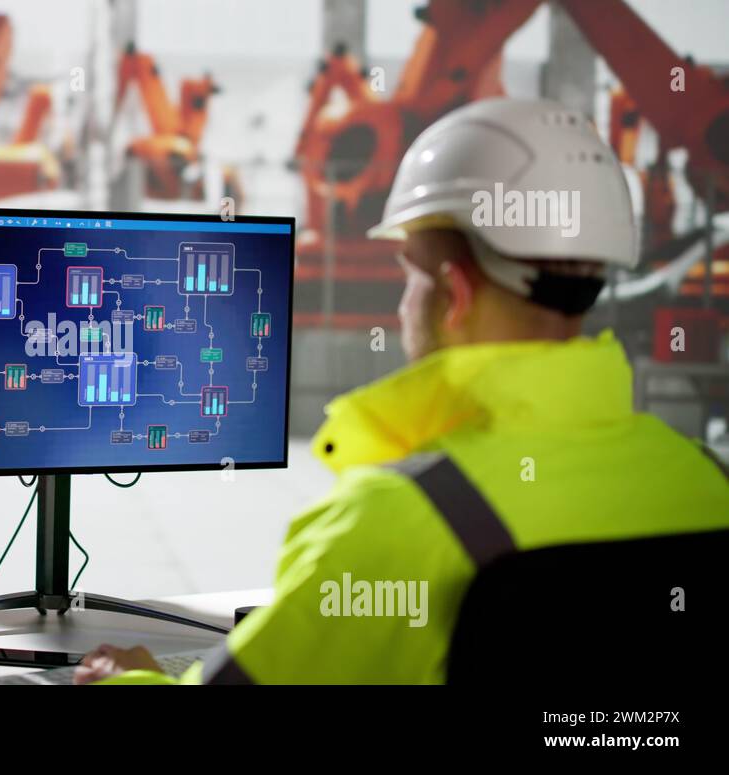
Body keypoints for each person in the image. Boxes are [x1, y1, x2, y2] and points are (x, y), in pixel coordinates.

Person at [76, 97, 729, 685]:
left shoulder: (401, 516)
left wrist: (127, 679)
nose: (402, 301)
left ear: (457, 291)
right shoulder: (707, 478)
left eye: (409, 275)